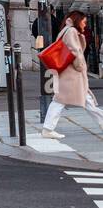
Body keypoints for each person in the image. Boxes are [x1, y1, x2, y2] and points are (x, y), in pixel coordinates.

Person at [43, 7, 103, 139]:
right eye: (84, 22)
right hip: (71, 75)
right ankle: (47, 129)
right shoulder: (71, 31)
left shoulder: (67, 30)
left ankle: (48, 129)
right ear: (77, 20)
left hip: (69, 75)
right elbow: (75, 51)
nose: (85, 24)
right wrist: (81, 66)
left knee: (85, 101)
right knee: (60, 101)